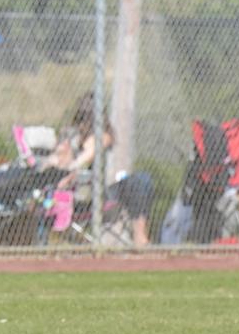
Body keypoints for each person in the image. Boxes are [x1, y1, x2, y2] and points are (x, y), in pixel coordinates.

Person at [42, 93, 155, 245]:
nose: (82, 124)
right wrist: (63, 157)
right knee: (140, 180)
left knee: (141, 180)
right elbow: (58, 162)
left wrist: (75, 164)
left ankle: (140, 237)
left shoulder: (102, 136)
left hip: (99, 195)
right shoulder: (70, 136)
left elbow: (87, 155)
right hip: (73, 198)